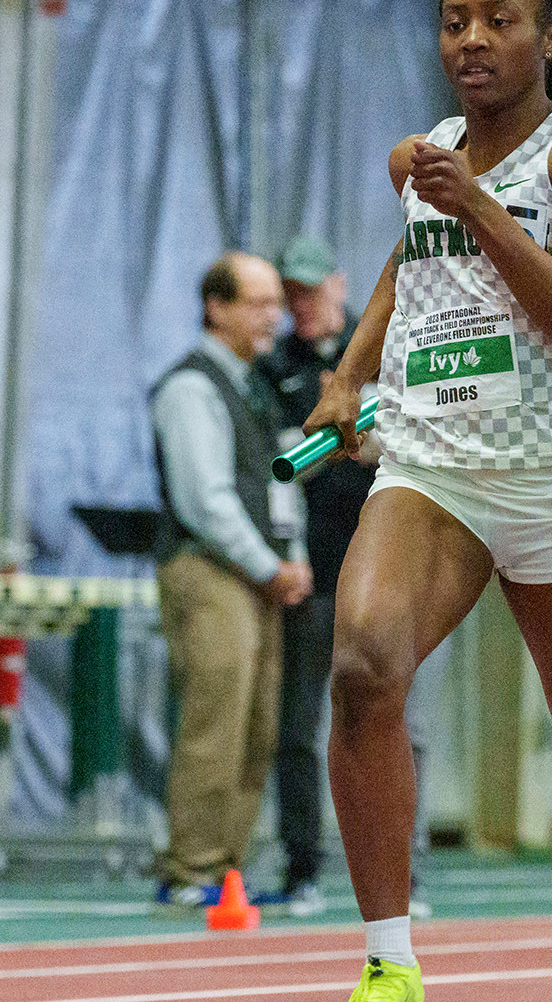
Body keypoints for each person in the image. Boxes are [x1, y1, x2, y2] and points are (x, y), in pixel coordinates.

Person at [299, 0, 552, 1002]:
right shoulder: (423, 159)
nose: (472, 40)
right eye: (454, 22)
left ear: (547, 37)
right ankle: (390, 960)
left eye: (498, 21)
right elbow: (409, 265)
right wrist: (347, 373)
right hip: (434, 470)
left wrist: (478, 205)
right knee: (365, 667)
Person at [254, 235, 432, 919]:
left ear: (338, 282)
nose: (302, 304)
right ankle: (303, 868)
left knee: (397, 719)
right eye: (289, 293)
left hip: (389, 565)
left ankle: (406, 875)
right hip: (314, 569)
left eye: (310, 289)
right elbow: (276, 462)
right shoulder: (275, 371)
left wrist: (382, 441)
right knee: (300, 727)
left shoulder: (390, 353)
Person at [149, 252, 313, 908]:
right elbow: (205, 500)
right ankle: (190, 868)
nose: (275, 315)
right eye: (259, 301)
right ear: (216, 306)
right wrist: (269, 565)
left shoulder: (254, 385)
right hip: (210, 569)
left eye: (277, 301)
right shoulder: (191, 387)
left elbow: (276, 485)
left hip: (258, 576)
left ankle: (229, 871)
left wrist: (289, 557)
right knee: (215, 723)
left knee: (257, 728)